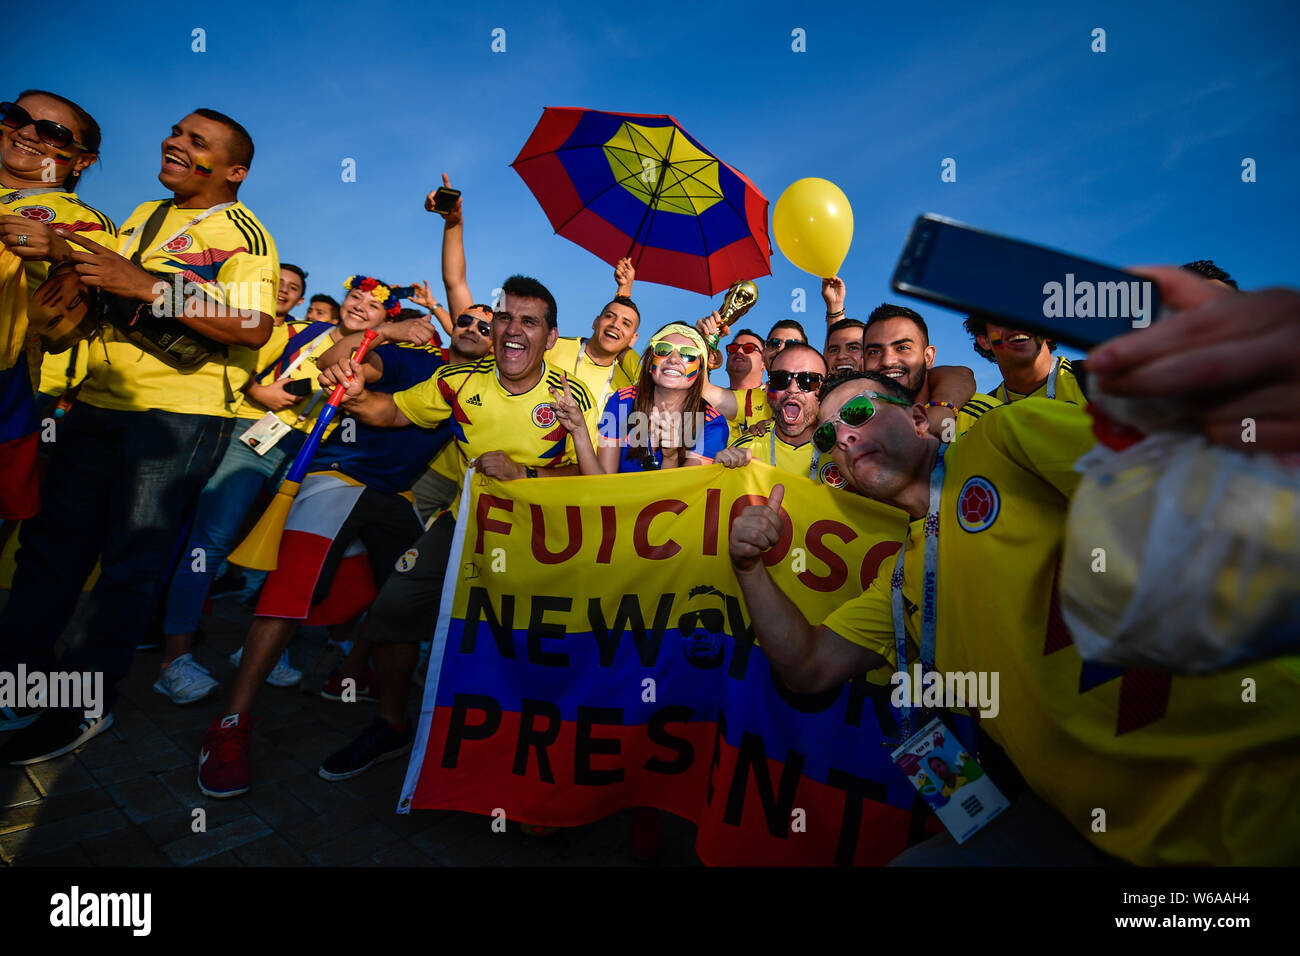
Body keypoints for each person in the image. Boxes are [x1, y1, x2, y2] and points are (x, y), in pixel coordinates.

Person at [726, 267, 1300, 864]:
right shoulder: (898, 586)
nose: (842, 436)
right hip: (1079, 833)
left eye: (861, 411)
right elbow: (807, 667)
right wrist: (750, 570)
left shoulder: (1004, 439)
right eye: (825, 438)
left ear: (920, 419)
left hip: (1262, 800)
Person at [0, 107, 277, 765]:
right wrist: (69, 263)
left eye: (196, 141)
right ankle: (19, 683)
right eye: (175, 132)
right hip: (93, 402)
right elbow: (105, 289)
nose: (173, 141)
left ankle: (83, 704)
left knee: (128, 567)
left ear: (234, 171)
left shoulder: (246, 231)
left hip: (176, 419)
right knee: (51, 550)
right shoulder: (144, 214)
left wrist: (148, 285)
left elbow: (252, 325)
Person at [195, 273, 450, 796]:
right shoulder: (419, 358)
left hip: (398, 499)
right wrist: (372, 352)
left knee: (400, 608)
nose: (472, 324)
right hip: (338, 476)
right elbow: (360, 361)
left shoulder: (487, 388)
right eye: (462, 319)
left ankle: (392, 723)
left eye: (484, 325)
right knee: (286, 594)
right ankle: (229, 724)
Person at [153, 275, 430, 703]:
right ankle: (175, 657)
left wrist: (382, 338)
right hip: (256, 437)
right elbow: (232, 360)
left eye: (372, 307)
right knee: (210, 542)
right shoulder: (294, 331)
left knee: (290, 557)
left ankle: (263, 648)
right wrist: (257, 390)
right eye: (355, 297)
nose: (360, 306)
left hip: (314, 454)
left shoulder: (379, 355)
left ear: (384, 319)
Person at [0, 91, 114, 556]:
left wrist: (61, 254)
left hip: (11, 385)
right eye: (17, 117)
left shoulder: (85, 223)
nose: (26, 132)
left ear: (81, 160)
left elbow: (73, 323)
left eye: (52, 133)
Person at [560, 322, 727, 474]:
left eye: (688, 354)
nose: (674, 359)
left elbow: (683, 499)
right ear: (649, 360)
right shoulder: (622, 401)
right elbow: (602, 482)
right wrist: (578, 430)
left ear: (700, 371)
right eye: (663, 349)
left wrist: (670, 458)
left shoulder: (713, 423)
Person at [713, 344, 846, 487]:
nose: (792, 389)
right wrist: (717, 475)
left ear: (825, 389)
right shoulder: (744, 450)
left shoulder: (844, 448)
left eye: (808, 380)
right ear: (768, 390)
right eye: (780, 379)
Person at [864, 303, 994, 437]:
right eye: (874, 352)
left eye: (902, 348)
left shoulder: (981, 417)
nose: (887, 361)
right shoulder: (853, 428)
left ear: (928, 357)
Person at [545, 258, 641, 415]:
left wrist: (625, 288)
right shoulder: (552, 346)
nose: (615, 325)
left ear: (632, 339)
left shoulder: (626, 388)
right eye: (609, 316)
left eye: (626, 324)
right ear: (596, 322)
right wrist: (624, 288)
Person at [961, 312, 1086, 405]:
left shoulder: (1096, 380)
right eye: (999, 317)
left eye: (1026, 312)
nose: (1015, 325)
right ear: (985, 341)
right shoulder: (984, 410)